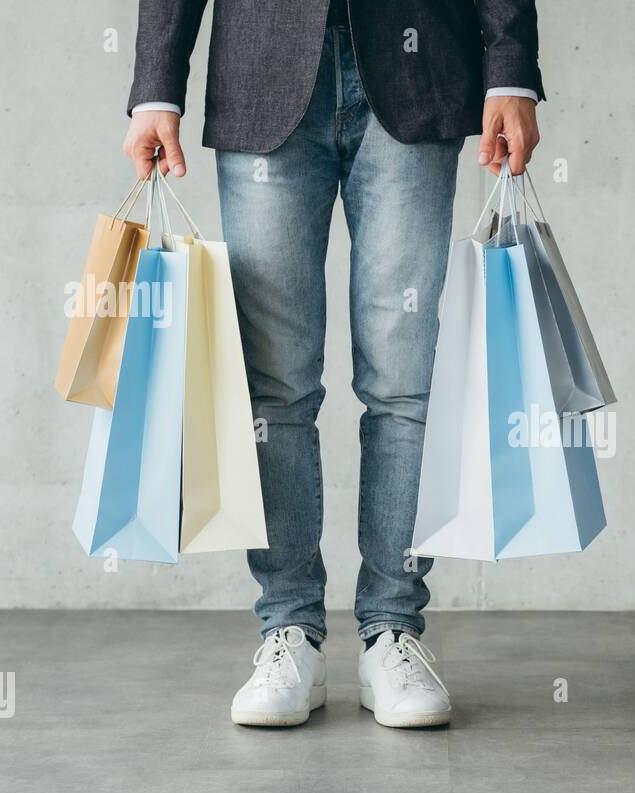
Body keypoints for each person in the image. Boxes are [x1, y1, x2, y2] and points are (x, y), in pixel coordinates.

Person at [121, 0, 543, 729]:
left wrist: (512, 69)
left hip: (418, 68)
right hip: (263, 74)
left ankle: (394, 632)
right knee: (273, 386)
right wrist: (157, 84)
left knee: (406, 382)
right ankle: (288, 631)